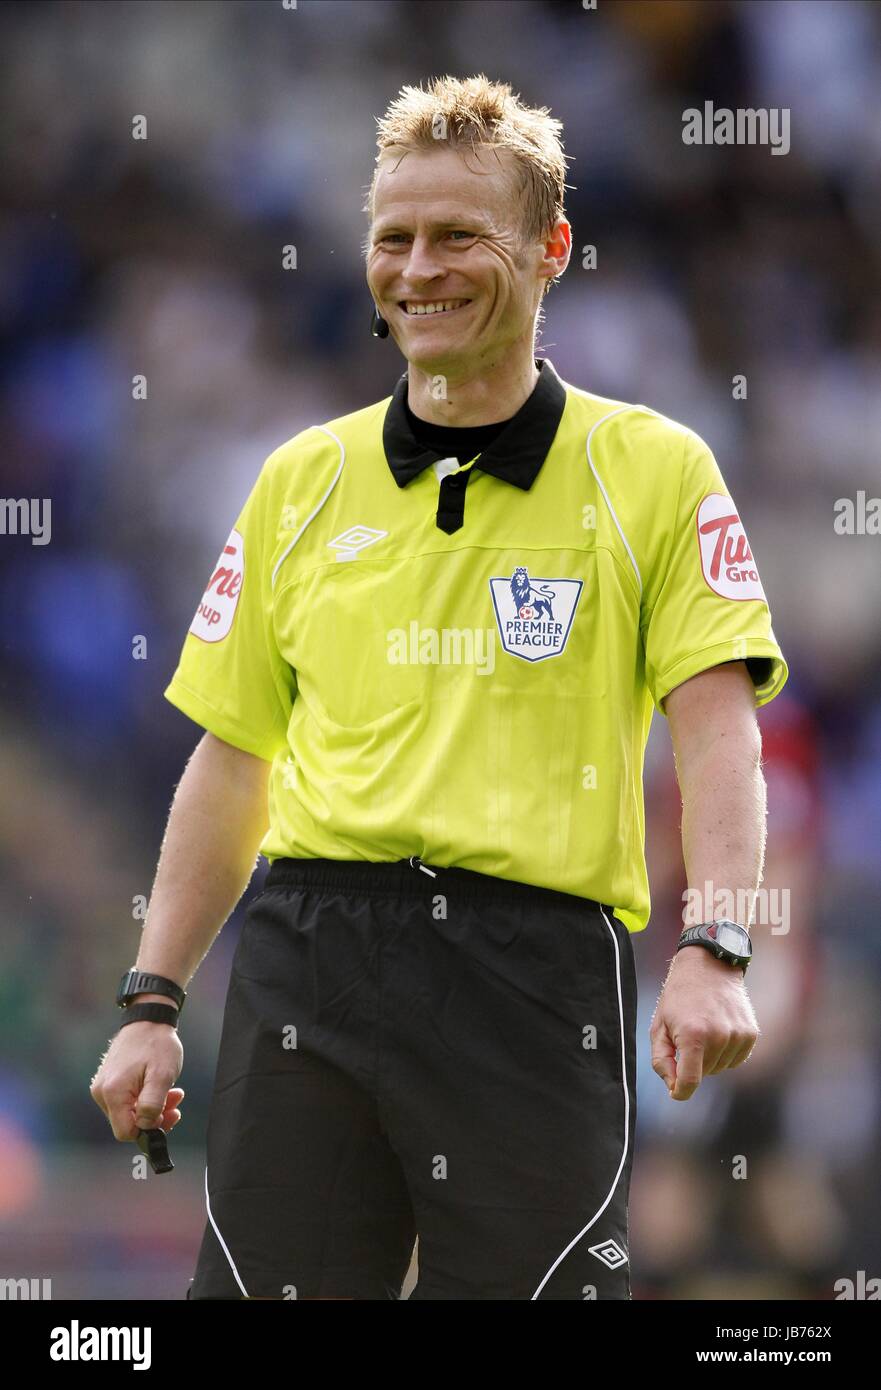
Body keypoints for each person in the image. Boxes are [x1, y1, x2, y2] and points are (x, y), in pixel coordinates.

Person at [90, 74, 788, 1301]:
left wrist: (716, 942)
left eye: (459, 235)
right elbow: (233, 756)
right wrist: (151, 1000)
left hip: (534, 976)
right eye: (394, 238)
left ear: (549, 249)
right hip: (311, 955)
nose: (420, 268)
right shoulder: (298, 478)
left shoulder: (654, 470)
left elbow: (716, 727)